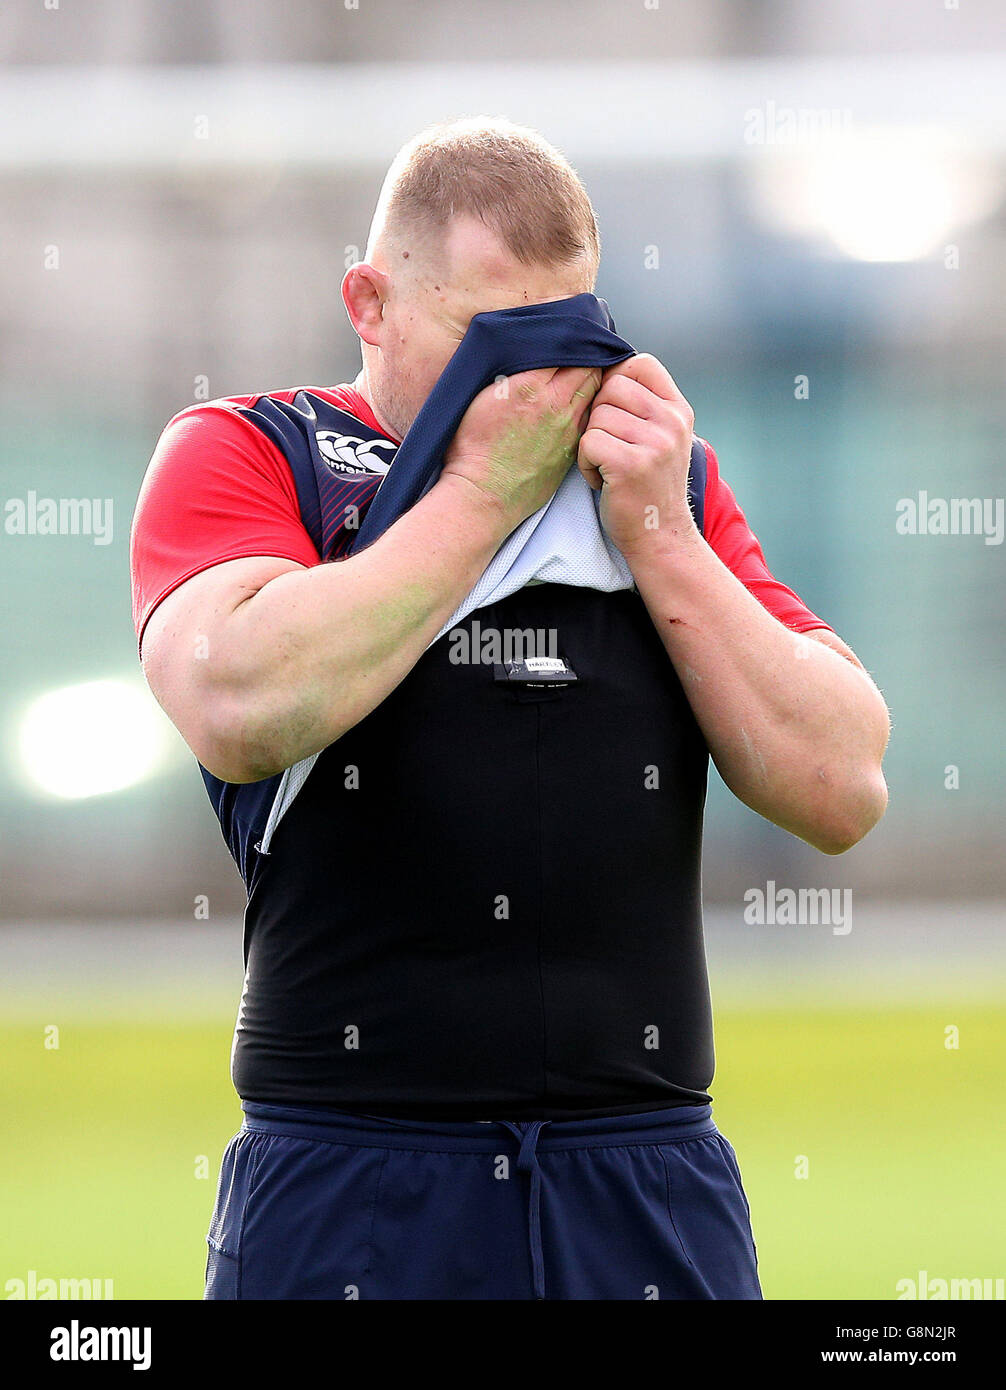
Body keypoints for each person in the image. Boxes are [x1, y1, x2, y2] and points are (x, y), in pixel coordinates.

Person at [129, 118, 890, 1301]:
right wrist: (482, 491)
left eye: (568, 333)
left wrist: (660, 537)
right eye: (492, 337)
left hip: (642, 1177)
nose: (539, 380)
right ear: (369, 304)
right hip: (351, 1176)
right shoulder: (256, 451)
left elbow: (842, 785)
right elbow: (236, 697)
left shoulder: (657, 482)